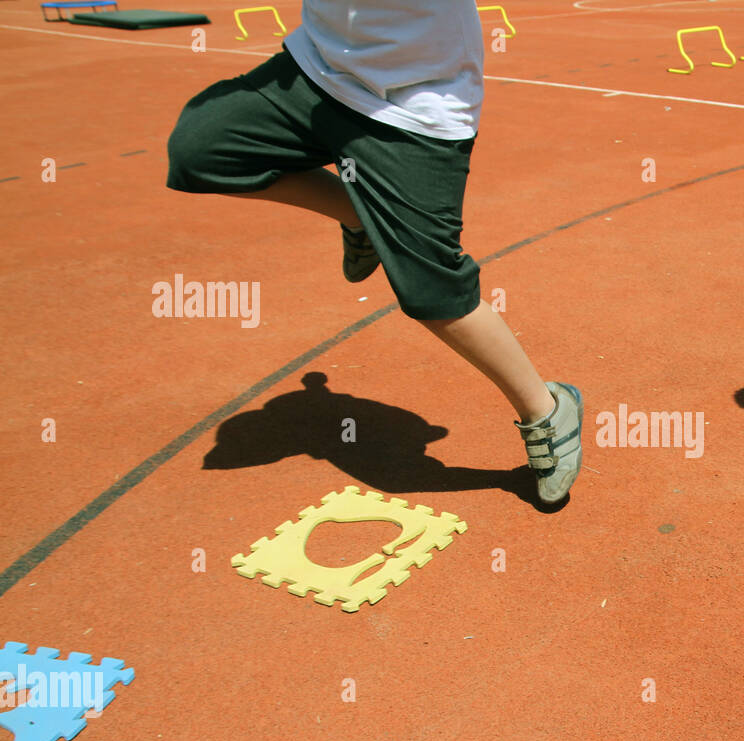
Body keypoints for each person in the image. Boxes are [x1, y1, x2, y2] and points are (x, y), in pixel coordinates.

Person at [166, 0, 582, 503]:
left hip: (414, 105)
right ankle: (360, 214)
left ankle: (546, 408)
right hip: (316, 73)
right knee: (202, 148)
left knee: (432, 290)